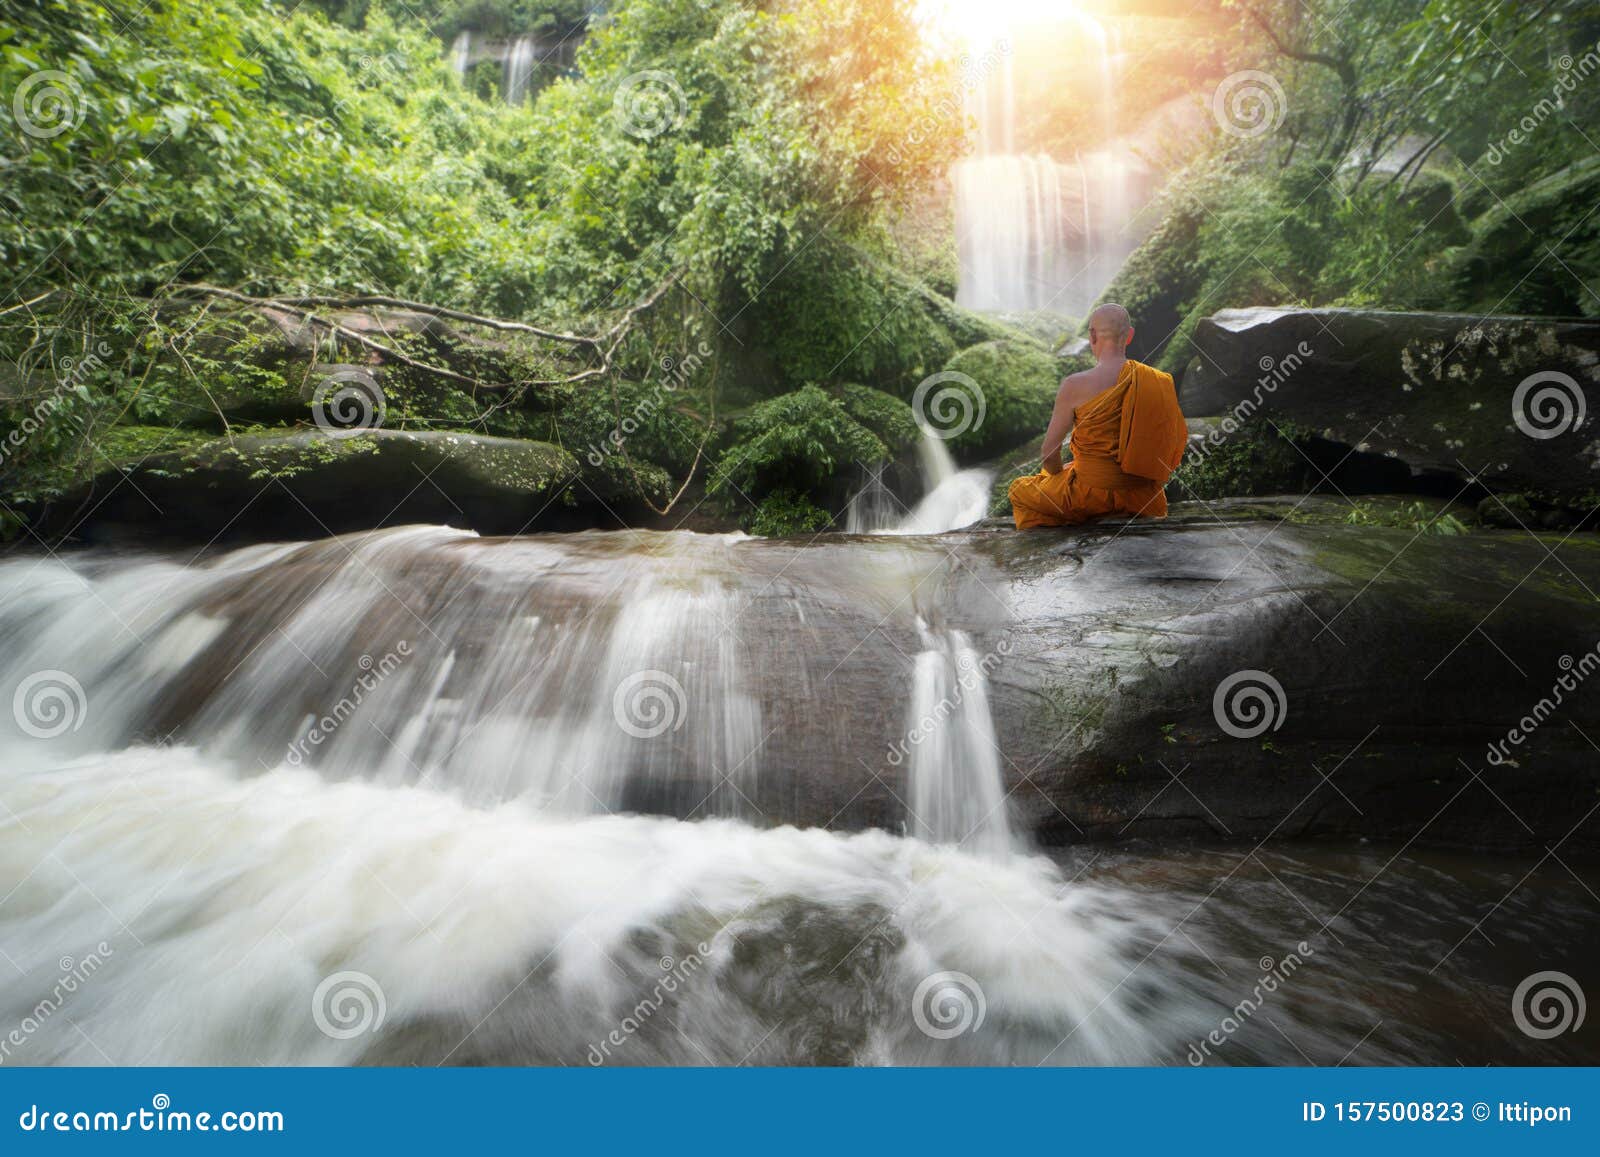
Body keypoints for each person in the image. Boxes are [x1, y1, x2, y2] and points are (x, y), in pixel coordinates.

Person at [1007, 303, 1187, 531]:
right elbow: (1169, 446)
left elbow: (1049, 454)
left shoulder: (1074, 385)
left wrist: (1056, 479)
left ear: (1092, 336)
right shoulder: (1157, 381)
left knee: (1019, 489)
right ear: (1129, 336)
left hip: (1088, 497)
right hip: (1143, 499)